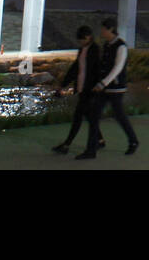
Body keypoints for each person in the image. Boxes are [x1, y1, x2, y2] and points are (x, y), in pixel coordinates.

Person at [52, 26, 108, 158]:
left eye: (83, 39)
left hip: (91, 90)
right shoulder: (82, 49)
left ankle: (67, 145)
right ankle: (99, 141)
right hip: (83, 88)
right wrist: (64, 85)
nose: (81, 42)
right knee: (89, 117)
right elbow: (75, 68)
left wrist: (99, 87)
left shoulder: (95, 50)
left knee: (78, 117)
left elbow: (98, 70)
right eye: (80, 40)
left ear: (89, 36)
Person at [91, 19, 138, 156]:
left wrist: (103, 83)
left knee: (119, 116)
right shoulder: (107, 45)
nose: (101, 32)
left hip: (116, 88)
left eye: (103, 29)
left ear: (111, 29)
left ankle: (133, 141)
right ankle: (98, 141)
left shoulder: (121, 46)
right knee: (94, 114)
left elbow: (118, 67)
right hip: (105, 87)